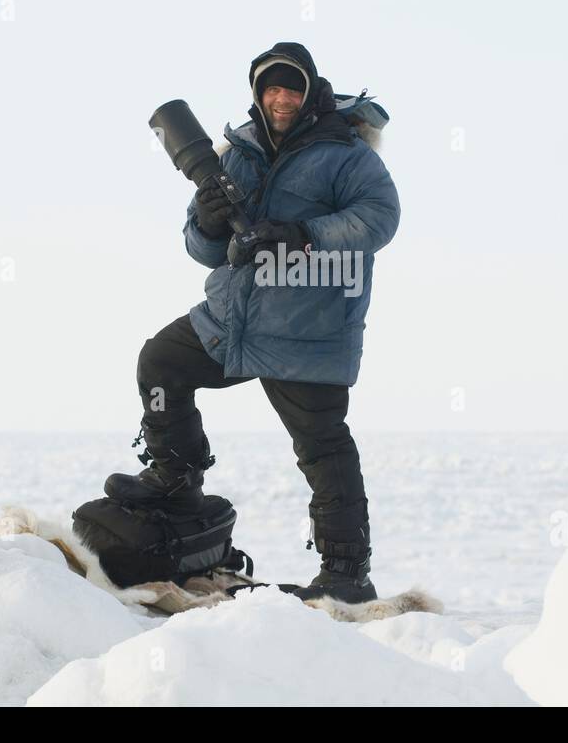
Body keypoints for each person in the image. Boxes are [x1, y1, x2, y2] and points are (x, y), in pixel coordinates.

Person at [105, 41, 400, 603]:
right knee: (162, 362)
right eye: (271, 88)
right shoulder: (235, 150)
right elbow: (202, 248)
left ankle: (346, 573)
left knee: (322, 448)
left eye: (292, 87)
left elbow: (379, 218)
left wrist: (302, 234)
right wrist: (211, 225)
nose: (281, 98)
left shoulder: (346, 153)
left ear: (310, 91)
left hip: (306, 328)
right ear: (258, 94)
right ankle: (176, 479)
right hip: (232, 319)